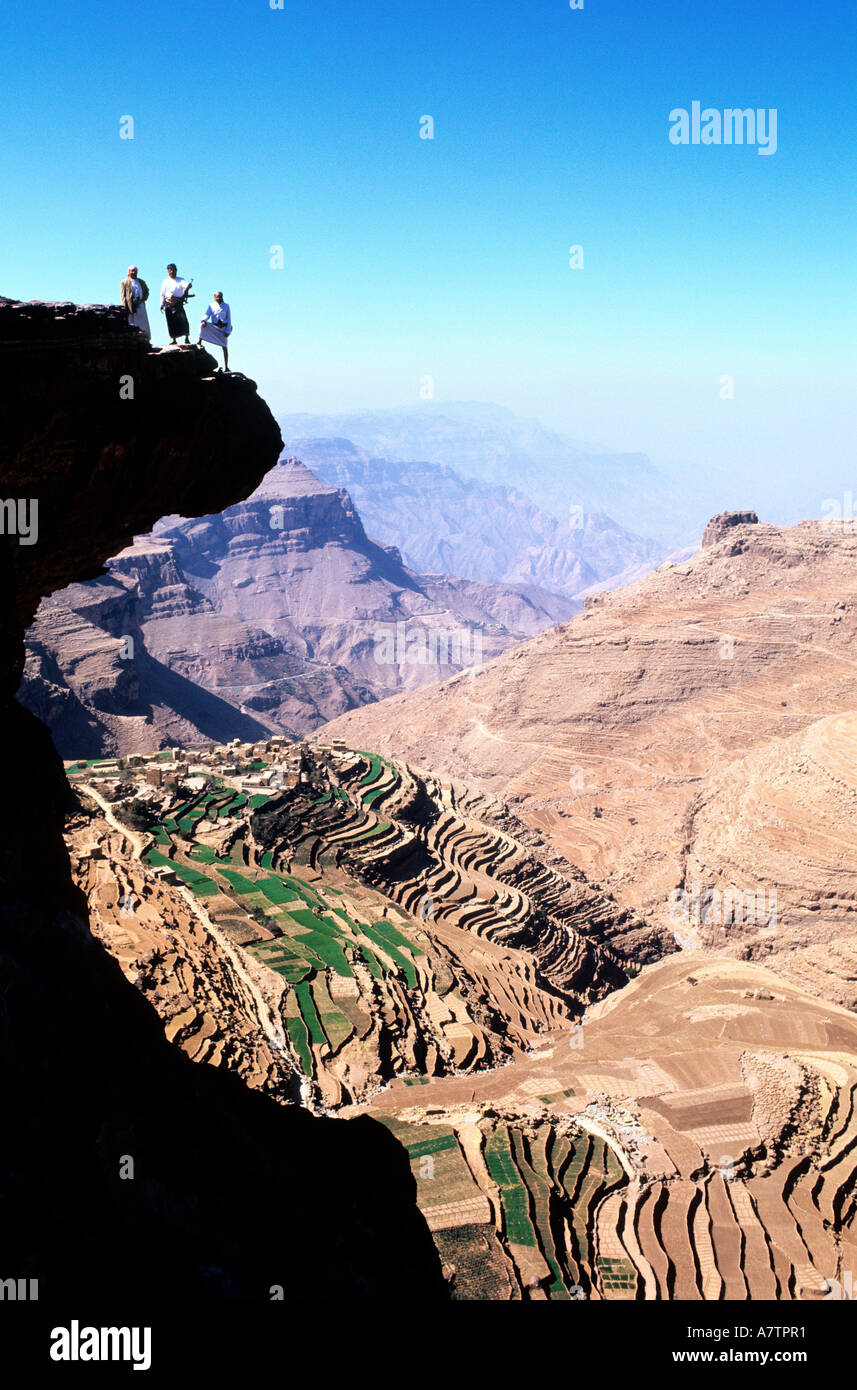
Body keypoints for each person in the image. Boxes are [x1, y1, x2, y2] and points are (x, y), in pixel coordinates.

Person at [198, 291, 232, 372]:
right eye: (217, 297)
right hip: (214, 326)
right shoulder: (211, 305)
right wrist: (203, 320)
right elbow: (207, 314)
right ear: (214, 297)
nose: (219, 298)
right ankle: (199, 341)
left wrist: (228, 331)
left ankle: (226, 367)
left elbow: (229, 319)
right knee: (203, 325)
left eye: (220, 296)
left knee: (225, 348)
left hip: (223, 329)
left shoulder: (226, 306)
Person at [159, 263, 193, 344]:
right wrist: (161, 304)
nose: (171, 272)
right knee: (171, 322)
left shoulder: (181, 280)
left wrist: (189, 286)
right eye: (170, 270)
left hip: (178, 303)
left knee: (183, 320)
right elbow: (162, 294)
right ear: (168, 271)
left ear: (176, 270)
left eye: (173, 270)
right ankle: (174, 340)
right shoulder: (165, 281)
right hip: (168, 303)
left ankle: (187, 338)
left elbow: (186, 285)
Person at [120, 265, 150, 338]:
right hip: (130, 306)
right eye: (132, 271)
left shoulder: (141, 282)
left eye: (135, 271)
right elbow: (123, 295)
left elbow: (147, 291)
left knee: (143, 323)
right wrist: (125, 307)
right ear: (128, 272)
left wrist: (142, 300)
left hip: (141, 305)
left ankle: (145, 338)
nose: (133, 272)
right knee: (131, 323)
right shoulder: (124, 282)